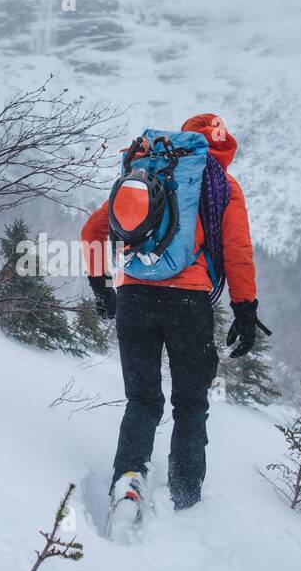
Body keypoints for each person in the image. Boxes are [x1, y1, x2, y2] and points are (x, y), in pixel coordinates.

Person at [81, 112, 262, 518]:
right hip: (189, 304)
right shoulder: (222, 185)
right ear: (222, 146)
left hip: (134, 296)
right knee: (191, 404)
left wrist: (101, 286)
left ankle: (128, 482)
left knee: (142, 400)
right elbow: (237, 250)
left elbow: (92, 232)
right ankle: (185, 499)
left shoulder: (147, 173)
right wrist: (244, 308)